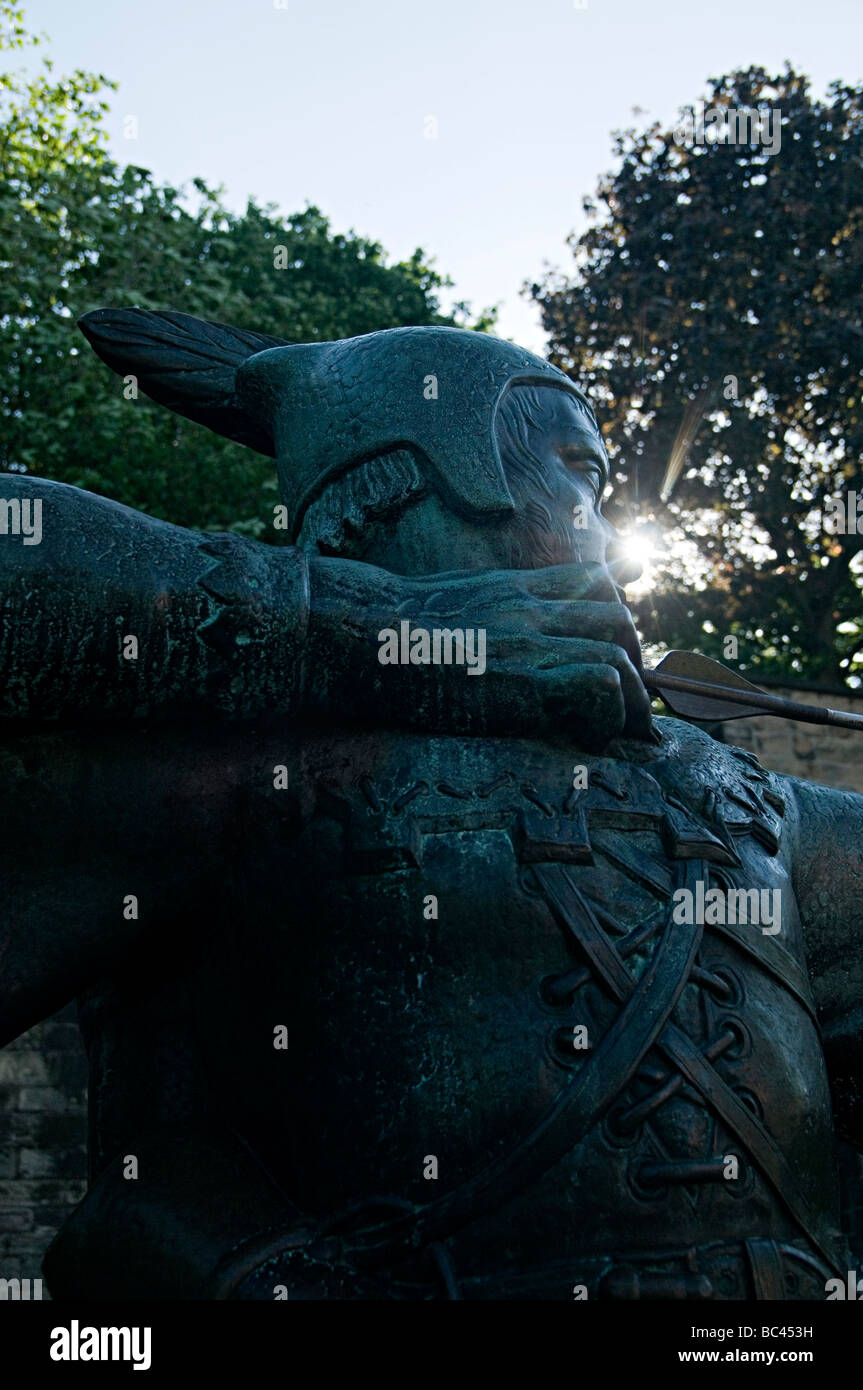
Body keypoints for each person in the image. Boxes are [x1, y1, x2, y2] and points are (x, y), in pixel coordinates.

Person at [0, 311, 859, 1299]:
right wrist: (384, 630)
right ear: (425, 478)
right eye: (581, 471)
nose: (608, 538)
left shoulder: (748, 800)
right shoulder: (236, 779)